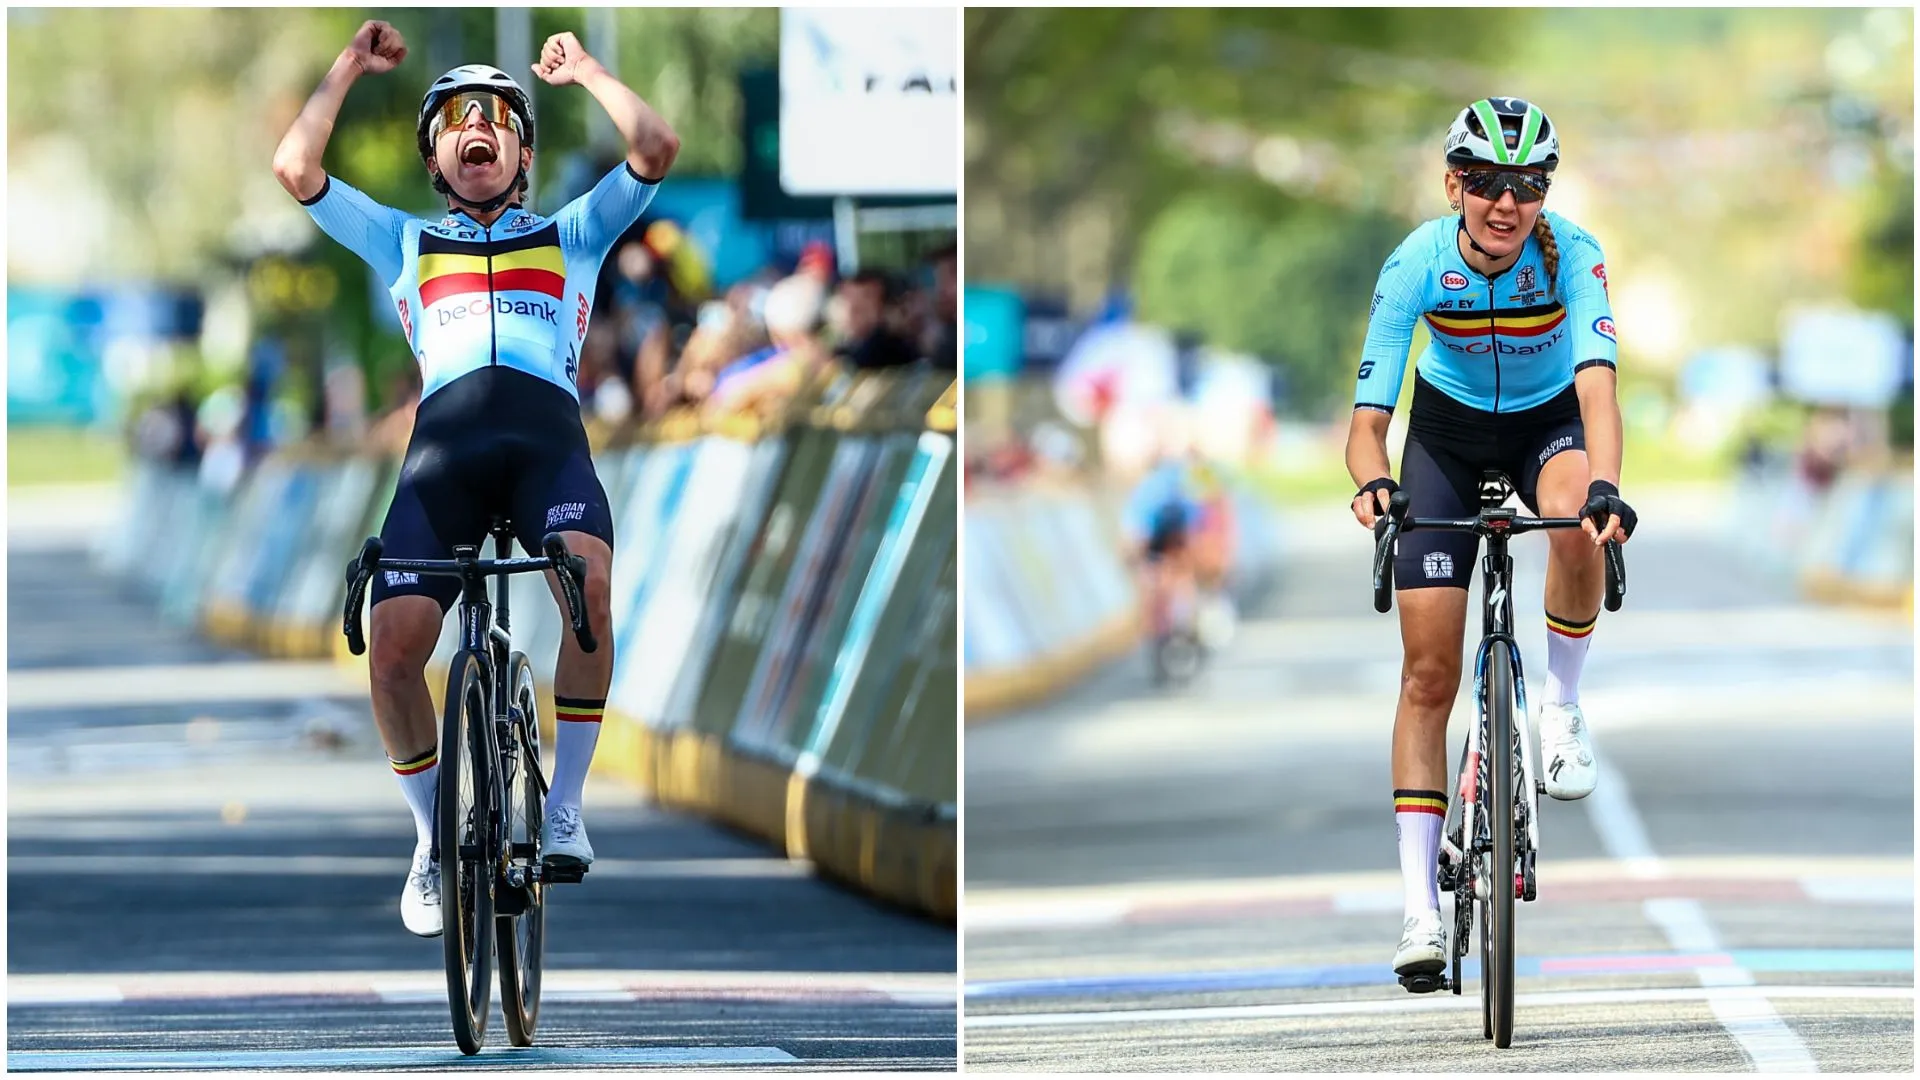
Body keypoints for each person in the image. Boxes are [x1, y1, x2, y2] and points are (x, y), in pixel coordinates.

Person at [272, 20, 679, 938]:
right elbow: (296, 168)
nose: (476, 126)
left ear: (523, 150)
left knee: (592, 586)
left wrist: (588, 74)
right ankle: (427, 842)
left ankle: (566, 806)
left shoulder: (573, 231)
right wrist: (346, 64)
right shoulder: (404, 241)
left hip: (546, 452)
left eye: (497, 115)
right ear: (437, 157)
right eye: (456, 118)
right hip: (444, 463)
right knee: (392, 656)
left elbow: (655, 146)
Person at [1342, 98, 1636, 985]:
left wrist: (1609, 490)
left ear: (1545, 192)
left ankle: (1560, 704)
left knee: (1578, 516)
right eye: (1486, 184)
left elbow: (1597, 396)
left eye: (1528, 185)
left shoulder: (1576, 255)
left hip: (1547, 424)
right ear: (1453, 185)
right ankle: (1419, 912)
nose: (1506, 203)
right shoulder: (1415, 264)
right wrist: (1374, 482)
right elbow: (1366, 422)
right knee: (1429, 673)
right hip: (1446, 436)